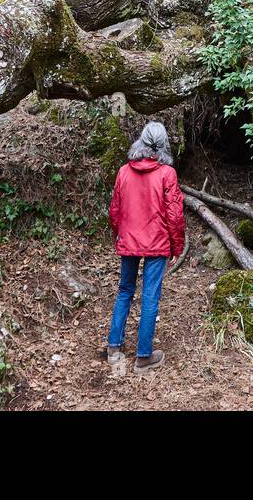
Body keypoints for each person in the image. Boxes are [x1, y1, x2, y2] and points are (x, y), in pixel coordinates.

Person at [104, 121, 185, 372]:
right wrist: (176, 247)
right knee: (150, 296)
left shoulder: (123, 172)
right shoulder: (166, 174)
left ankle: (114, 347)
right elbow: (175, 214)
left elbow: (115, 210)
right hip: (157, 243)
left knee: (124, 290)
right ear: (163, 144)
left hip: (129, 240)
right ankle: (143, 357)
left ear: (140, 140)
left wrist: (120, 234)